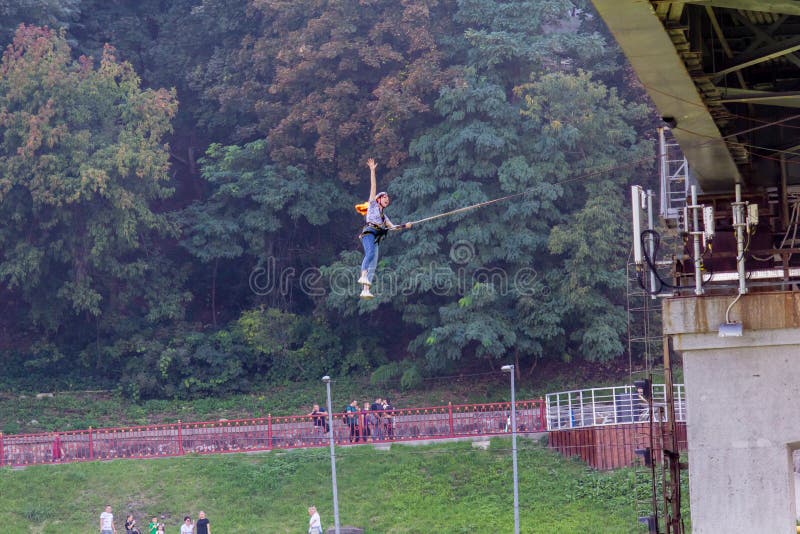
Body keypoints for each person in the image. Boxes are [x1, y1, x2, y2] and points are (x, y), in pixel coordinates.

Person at [357, 158, 411, 299]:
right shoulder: (372, 205)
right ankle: (363, 275)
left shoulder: (384, 217)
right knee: (369, 254)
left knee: (373, 264)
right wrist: (372, 171)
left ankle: (365, 290)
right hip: (368, 233)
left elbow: (394, 227)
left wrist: (405, 226)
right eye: (384, 197)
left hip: (376, 239)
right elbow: (373, 187)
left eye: (388, 197)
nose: (387, 199)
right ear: (378, 199)